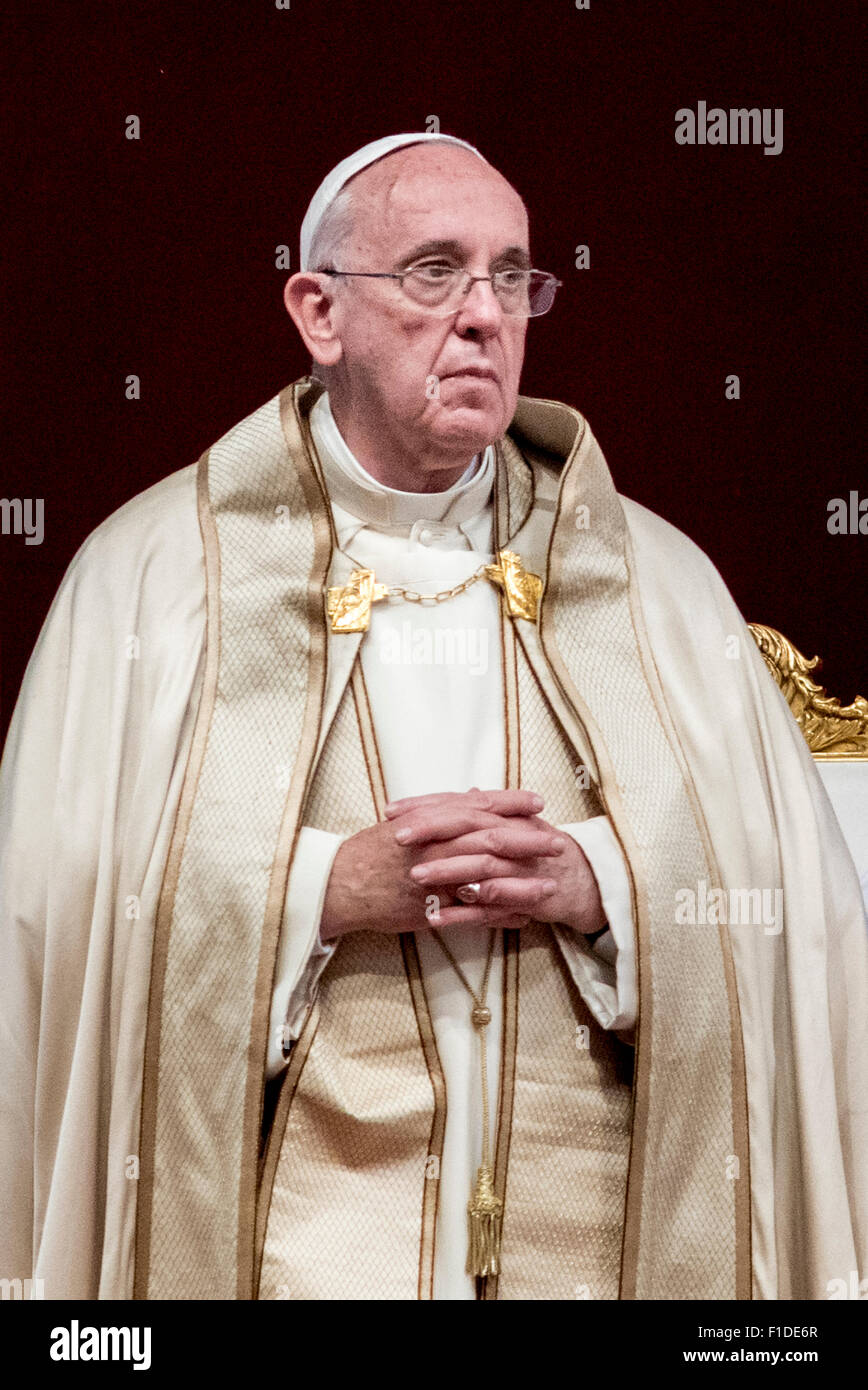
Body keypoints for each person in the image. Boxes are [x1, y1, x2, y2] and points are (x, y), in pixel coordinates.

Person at [0, 132, 865, 1302]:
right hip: (294, 1248)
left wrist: (599, 881)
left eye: (513, 277)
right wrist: (317, 894)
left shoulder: (651, 580)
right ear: (318, 312)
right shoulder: (155, 579)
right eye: (433, 272)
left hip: (608, 1248)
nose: (484, 315)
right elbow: (61, 910)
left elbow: (796, 906)